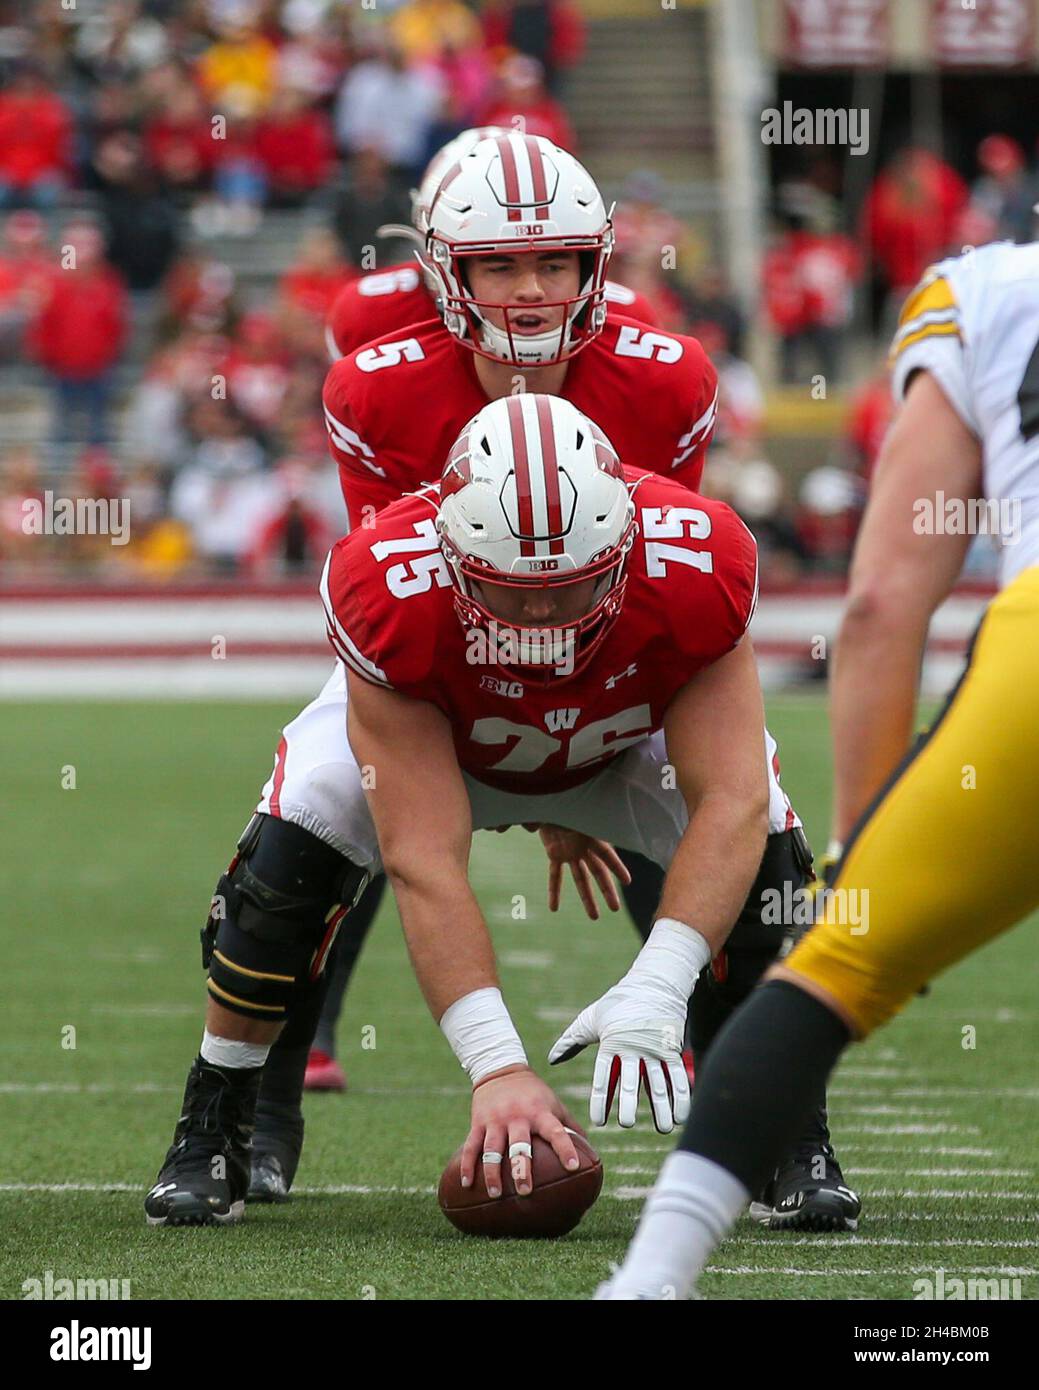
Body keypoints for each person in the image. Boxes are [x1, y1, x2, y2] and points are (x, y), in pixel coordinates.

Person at [143, 134, 850, 1230]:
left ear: (595, 266)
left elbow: (676, 641)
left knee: (768, 856)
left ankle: (782, 1128)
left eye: (555, 264)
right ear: (443, 273)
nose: (530, 292)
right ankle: (226, 1104)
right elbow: (424, 843)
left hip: (618, 675)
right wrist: (495, 1065)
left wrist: (651, 963)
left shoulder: (675, 464)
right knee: (291, 845)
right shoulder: (388, 488)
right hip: (441, 670)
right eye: (501, 267)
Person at [601, 239, 1039, 1298]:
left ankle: (650, 1280)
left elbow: (883, 604)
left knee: (824, 978)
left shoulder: (988, 288)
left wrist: (857, 857)